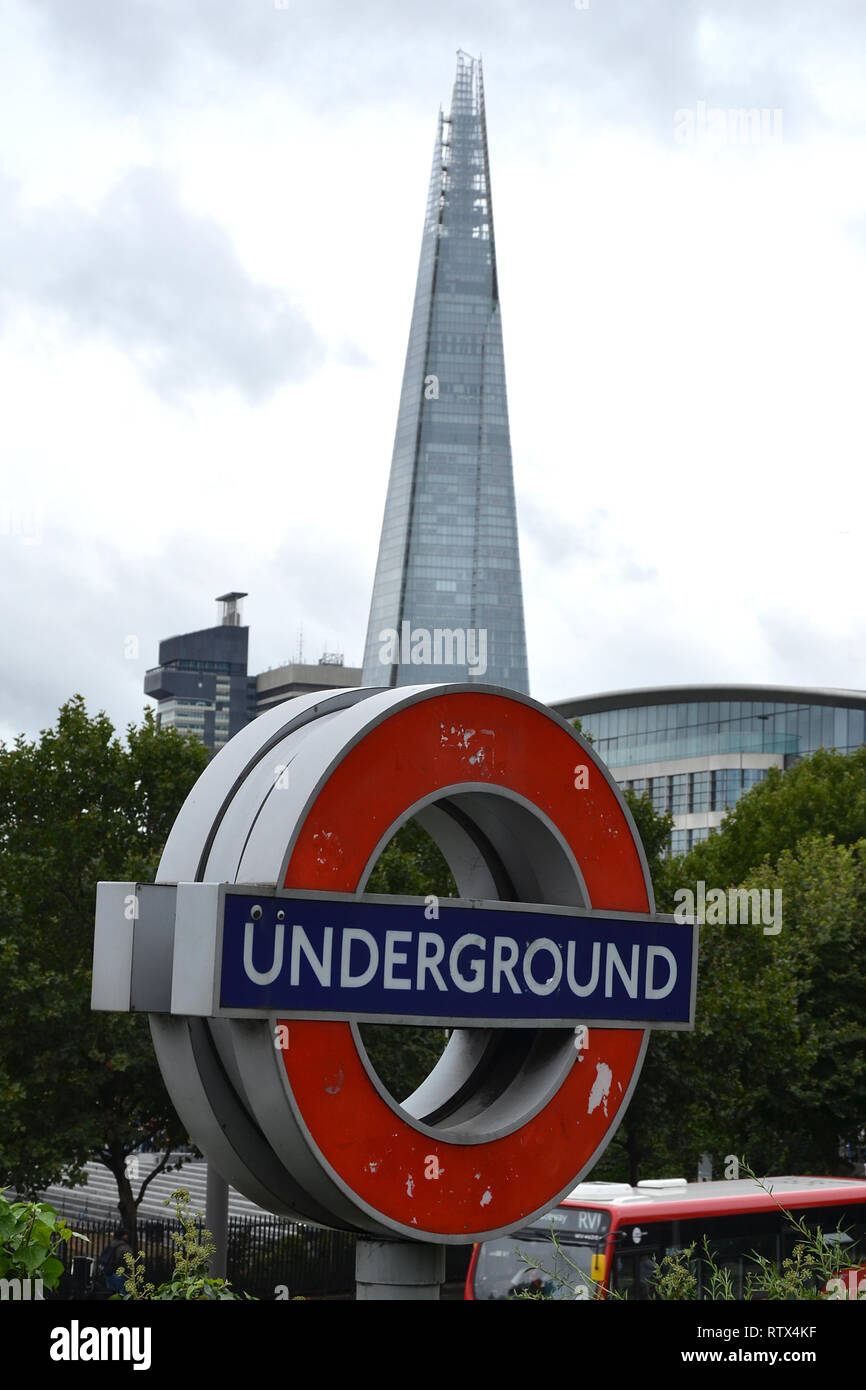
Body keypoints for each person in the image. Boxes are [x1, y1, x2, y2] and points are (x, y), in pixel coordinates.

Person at [98, 1228, 133, 1294]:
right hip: (121, 1275)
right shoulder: (125, 1247)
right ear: (124, 1236)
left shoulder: (112, 1244)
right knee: (123, 1294)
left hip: (109, 1273)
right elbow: (129, 1263)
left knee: (111, 1293)